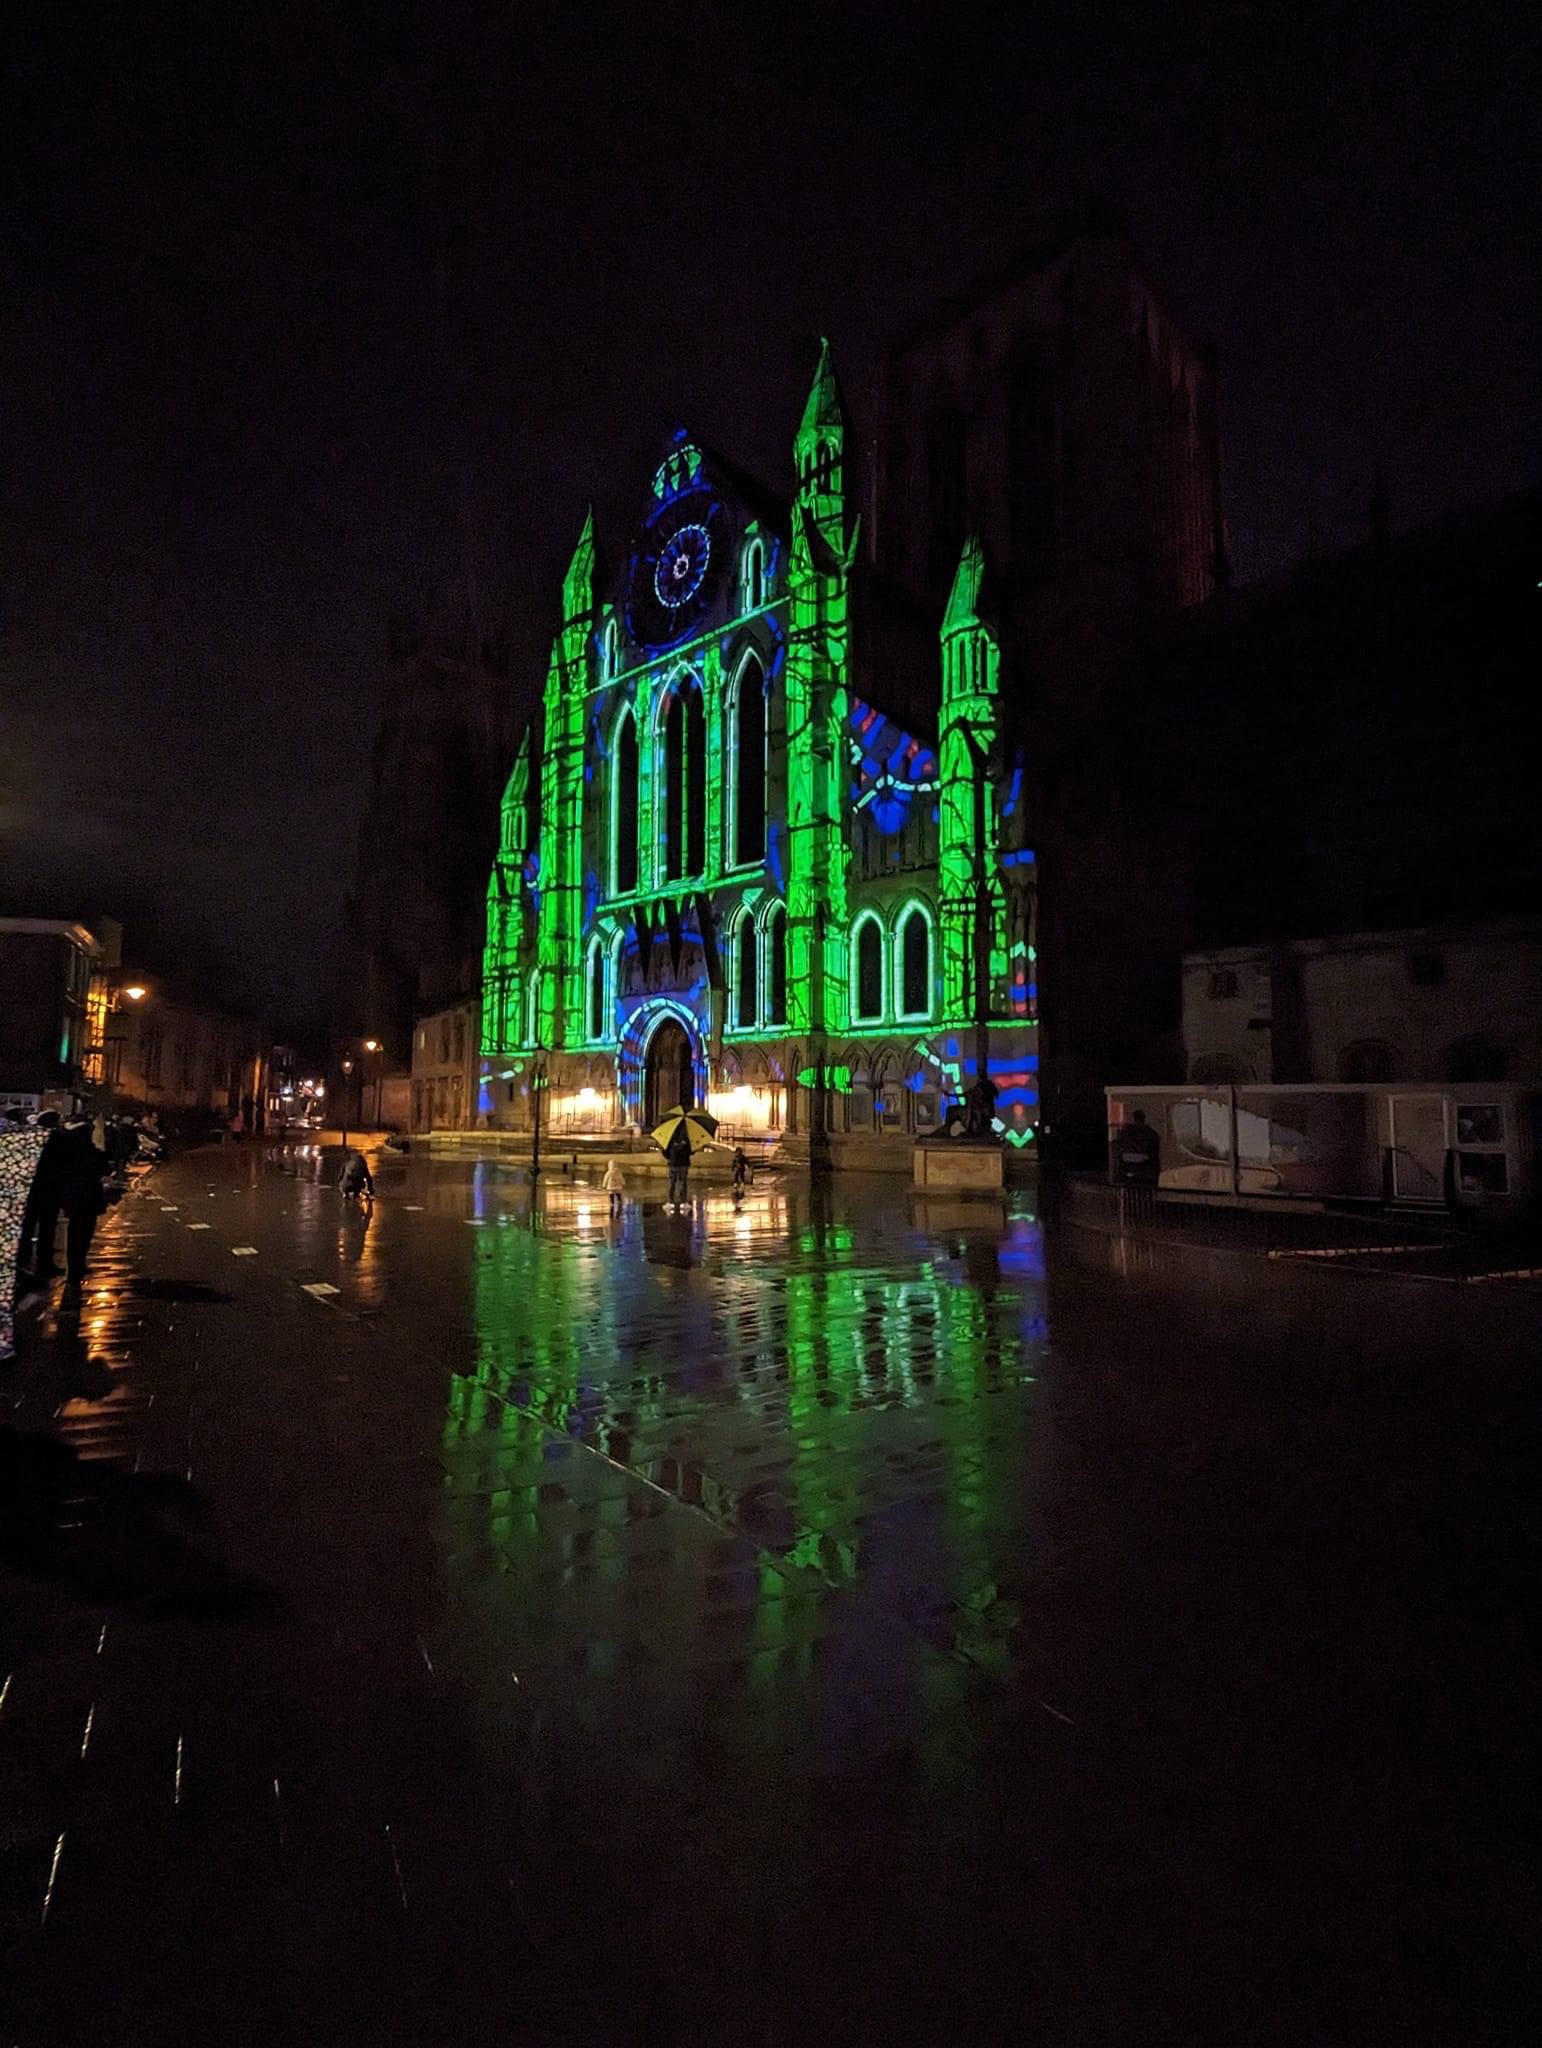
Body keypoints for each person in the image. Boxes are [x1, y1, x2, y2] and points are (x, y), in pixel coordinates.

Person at [52, 1117, 114, 1304]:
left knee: (74, 1233)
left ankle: (74, 1270)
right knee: (84, 1233)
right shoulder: (90, 1151)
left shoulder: (65, 1152)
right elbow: (104, 1168)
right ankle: (77, 1268)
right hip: (88, 1199)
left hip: (73, 1199)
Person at [1112, 1107, 1161, 1187]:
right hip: (1145, 1173)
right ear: (1143, 1119)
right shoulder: (1150, 1133)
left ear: (1134, 1118)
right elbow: (1155, 1153)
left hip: (1127, 1171)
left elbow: (1119, 1150)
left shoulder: (1125, 1132)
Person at [665, 1123, 692, 1212]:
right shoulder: (686, 1139)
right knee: (683, 1182)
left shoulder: (670, 1138)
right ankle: (683, 1202)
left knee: (672, 1182)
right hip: (684, 1163)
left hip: (673, 1163)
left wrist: (670, 1157)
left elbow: (665, 1151)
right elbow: (691, 1151)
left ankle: (670, 1202)